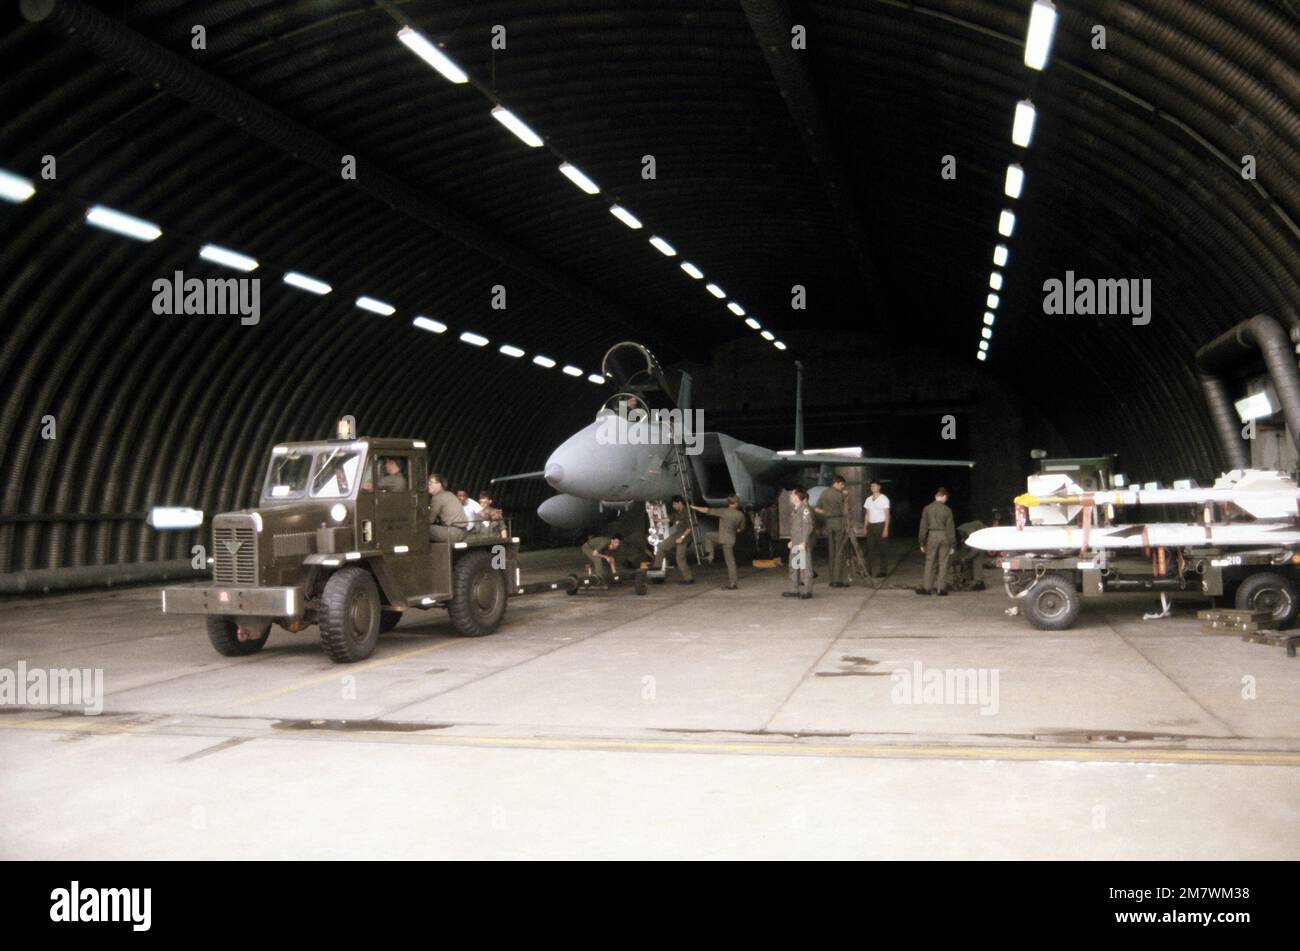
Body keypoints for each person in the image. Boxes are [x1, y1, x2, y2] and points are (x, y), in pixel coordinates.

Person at [690, 495, 746, 589]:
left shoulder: (723, 511)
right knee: (709, 536)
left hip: (724, 538)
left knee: (730, 562)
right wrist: (735, 530)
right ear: (736, 503)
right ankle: (710, 555)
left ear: (728, 503)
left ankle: (733, 583)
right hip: (729, 538)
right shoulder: (740, 515)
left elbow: (707, 510)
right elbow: (741, 528)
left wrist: (694, 507)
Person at [917, 486, 956, 596]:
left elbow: (923, 527)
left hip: (932, 536)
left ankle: (927, 588)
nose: (946, 500)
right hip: (944, 536)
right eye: (946, 498)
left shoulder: (927, 508)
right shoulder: (947, 510)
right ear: (943, 497)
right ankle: (941, 589)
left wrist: (922, 542)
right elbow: (950, 528)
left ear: (936, 496)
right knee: (943, 562)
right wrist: (953, 544)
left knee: (930, 562)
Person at [815, 475, 849, 588]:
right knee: (840, 550)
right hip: (839, 522)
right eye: (842, 485)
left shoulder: (824, 493)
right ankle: (837, 580)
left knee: (831, 550)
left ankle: (831, 578)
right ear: (838, 483)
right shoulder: (839, 495)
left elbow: (817, 509)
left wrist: (828, 513)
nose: (843, 487)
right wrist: (845, 498)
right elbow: (845, 511)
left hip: (828, 523)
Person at [653, 495, 694, 584]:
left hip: (684, 537)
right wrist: (658, 520)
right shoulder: (677, 513)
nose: (673, 506)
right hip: (677, 535)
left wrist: (682, 538)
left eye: (675, 504)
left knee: (680, 559)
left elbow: (689, 528)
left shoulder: (687, 513)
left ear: (680, 503)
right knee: (661, 546)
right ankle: (657, 568)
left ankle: (689, 579)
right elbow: (668, 519)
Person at [783, 487, 814, 599]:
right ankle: (793, 589)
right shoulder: (795, 510)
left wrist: (804, 542)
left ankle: (807, 591)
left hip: (801, 541)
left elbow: (807, 526)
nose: (790, 496)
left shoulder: (804, 509)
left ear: (797, 496)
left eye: (792, 494)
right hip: (795, 541)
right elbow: (795, 527)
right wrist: (792, 540)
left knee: (804, 566)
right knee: (794, 565)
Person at [862, 479, 891, 578]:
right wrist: (865, 527)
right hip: (871, 525)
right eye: (871, 486)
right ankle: (868, 570)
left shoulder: (884, 499)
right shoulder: (868, 499)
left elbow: (887, 515)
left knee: (882, 549)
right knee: (869, 549)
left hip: (880, 525)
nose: (873, 488)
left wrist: (886, 528)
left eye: (874, 486)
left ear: (879, 487)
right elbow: (867, 514)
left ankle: (883, 570)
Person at [428, 473, 468, 542]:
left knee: (422, 529)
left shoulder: (437, 497)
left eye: (431, 483)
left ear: (439, 484)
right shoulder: (449, 494)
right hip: (463, 531)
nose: (428, 485)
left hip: (453, 532)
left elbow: (430, 520)